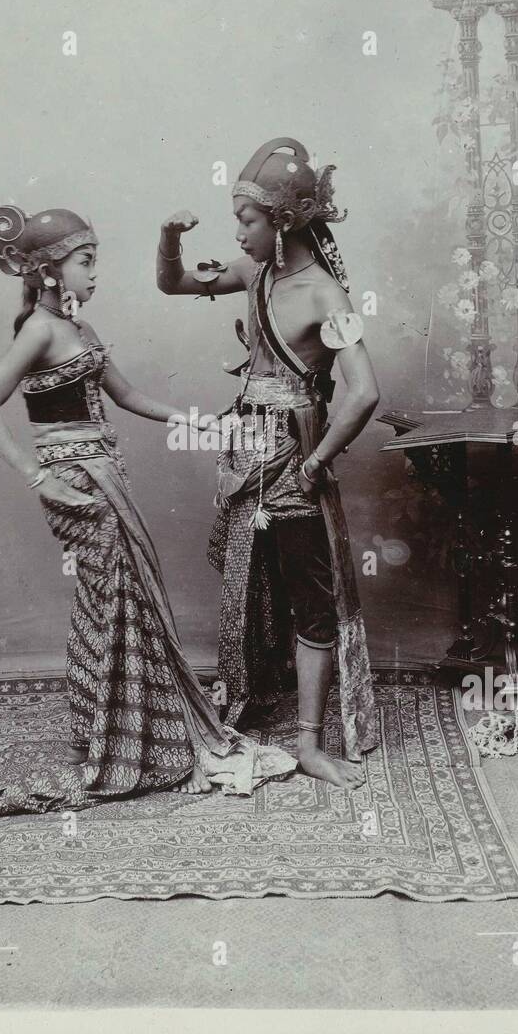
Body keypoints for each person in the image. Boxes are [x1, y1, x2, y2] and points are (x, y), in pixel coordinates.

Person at [0, 204, 295, 817]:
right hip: (75, 481)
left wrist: (196, 421)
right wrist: (37, 477)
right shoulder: (40, 332)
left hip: (109, 474)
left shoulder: (84, 331)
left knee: (129, 600)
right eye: (84, 262)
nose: (94, 273)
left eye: (94, 260)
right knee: (118, 599)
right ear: (49, 272)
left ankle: (127, 730)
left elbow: (125, 396)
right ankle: (117, 738)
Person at [157, 138, 380, 790]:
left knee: (311, 602)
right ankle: (244, 707)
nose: (238, 233)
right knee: (244, 590)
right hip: (242, 460)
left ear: (281, 223)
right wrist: (168, 236)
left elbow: (364, 391)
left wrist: (314, 463)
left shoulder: (324, 296)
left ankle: (311, 744)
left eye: (247, 221)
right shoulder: (255, 275)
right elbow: (171, 281)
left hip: (291, 462)